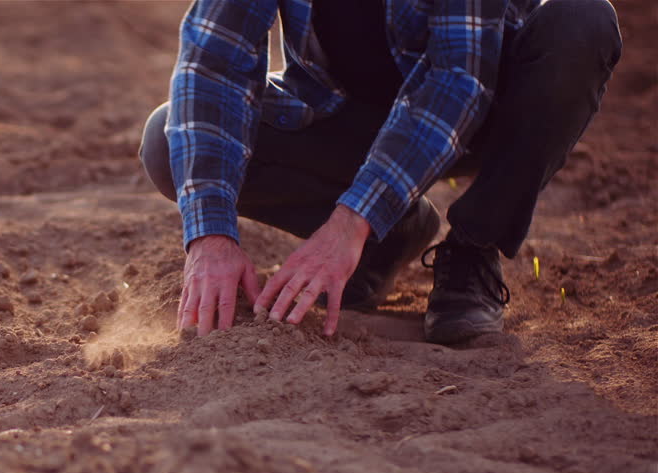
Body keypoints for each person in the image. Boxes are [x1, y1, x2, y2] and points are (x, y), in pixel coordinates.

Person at [139, 0, 622, 343]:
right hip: (349, 115)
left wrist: (351, 220)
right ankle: (390, 237)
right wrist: (211, 237)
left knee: (582, 20)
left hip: (479, 109)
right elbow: (213, 63)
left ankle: (474, 249)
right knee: (169, 140)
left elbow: (458, 78)